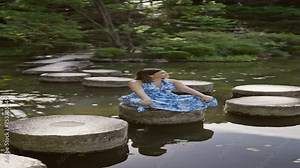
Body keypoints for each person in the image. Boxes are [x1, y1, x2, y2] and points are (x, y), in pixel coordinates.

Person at [118, 68, 218, 112]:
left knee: (198, 98)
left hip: (168, 99)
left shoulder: (171, 81)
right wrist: (146, 100)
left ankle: (164, 107)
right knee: (148, 103)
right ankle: (156, 107)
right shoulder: (136, 82)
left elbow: (187, 89)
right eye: (162, 73)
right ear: (151, 75)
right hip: (146, 98)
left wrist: (202, 96)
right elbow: (141, 93)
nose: (165, 74)